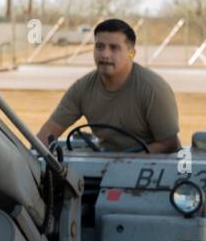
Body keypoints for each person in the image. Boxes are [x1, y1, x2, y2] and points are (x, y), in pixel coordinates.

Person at [36, 18, 180, 153]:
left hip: (148, 169)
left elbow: (170, 144)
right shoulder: (82, 88)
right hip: (104, 161)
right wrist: (31, 158)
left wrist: (126, 164)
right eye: (100, 47)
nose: (105, 54)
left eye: (114, 48)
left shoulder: (154, 89)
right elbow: (49, 131)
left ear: (131, 54)